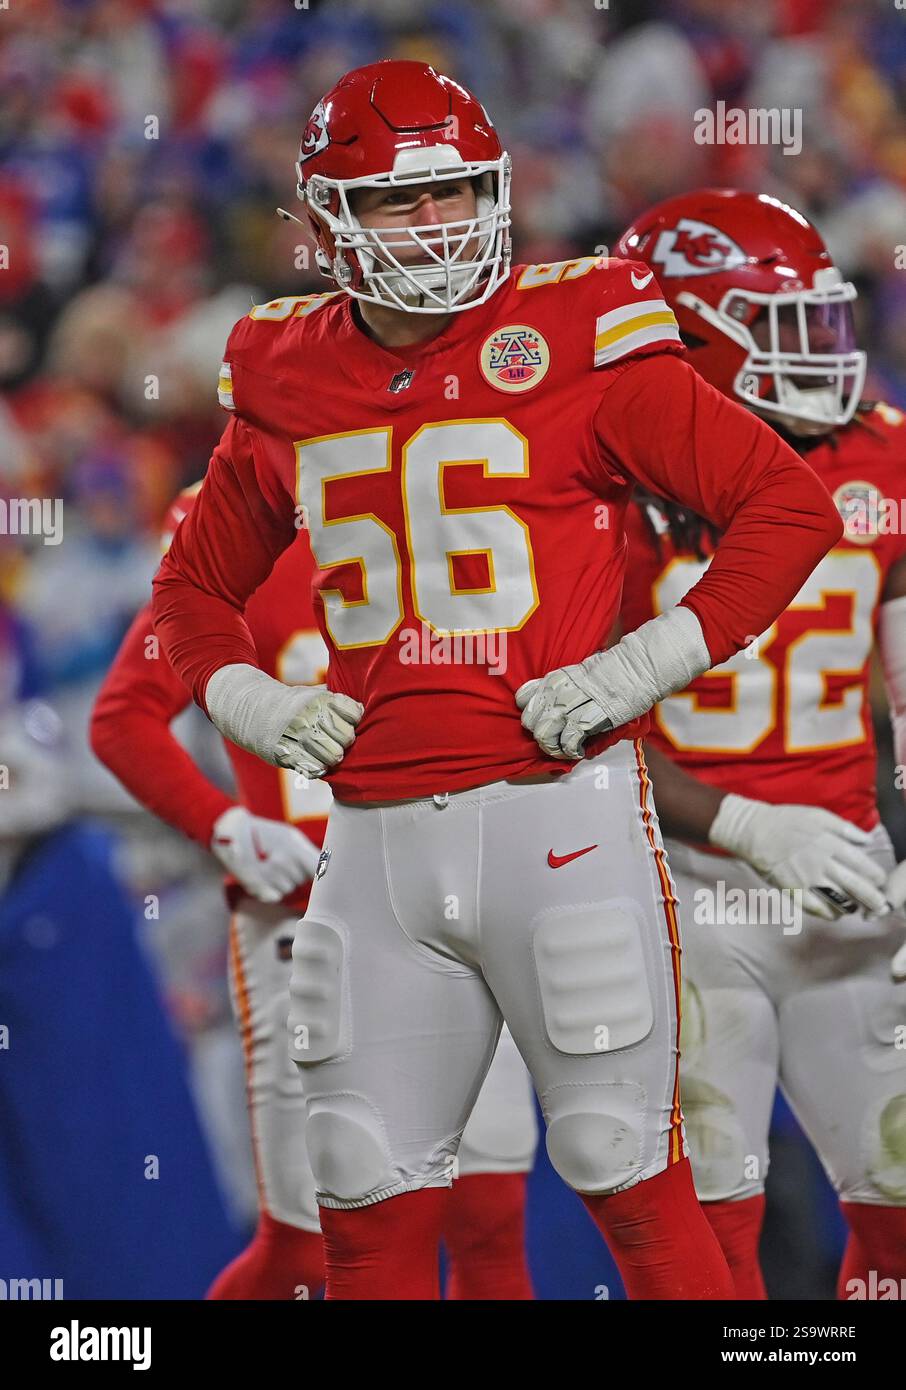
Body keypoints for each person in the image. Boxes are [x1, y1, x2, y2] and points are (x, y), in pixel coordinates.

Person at [151, 60, 844, 1301]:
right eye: (404, 203)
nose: (441, 226)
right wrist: (250, 700)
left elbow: (783, 508)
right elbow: (193, 596)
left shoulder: (582, 326)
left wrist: (649, 659)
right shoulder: (282, 368)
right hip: (370, 838)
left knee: (624, 1163)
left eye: (461, 193)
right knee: (361, 1189)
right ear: (326, 220)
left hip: (558, 814)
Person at [92, 483, 538, 1300]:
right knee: (305, 1253)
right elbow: (123, 717)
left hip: (454, 903)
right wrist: (229, 827)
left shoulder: (446, 471)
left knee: (489, 1217)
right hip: (309, 917)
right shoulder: (230, 516)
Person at [615, 187, 906, 1299]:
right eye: (785, 328)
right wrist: (744, 821)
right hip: (681, 895)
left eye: (824, 322)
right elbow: (577, 731)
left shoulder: (884, 461)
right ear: (691, 344)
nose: (824, 355)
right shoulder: (614, 488)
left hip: (848, 886)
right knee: (712, 1245)